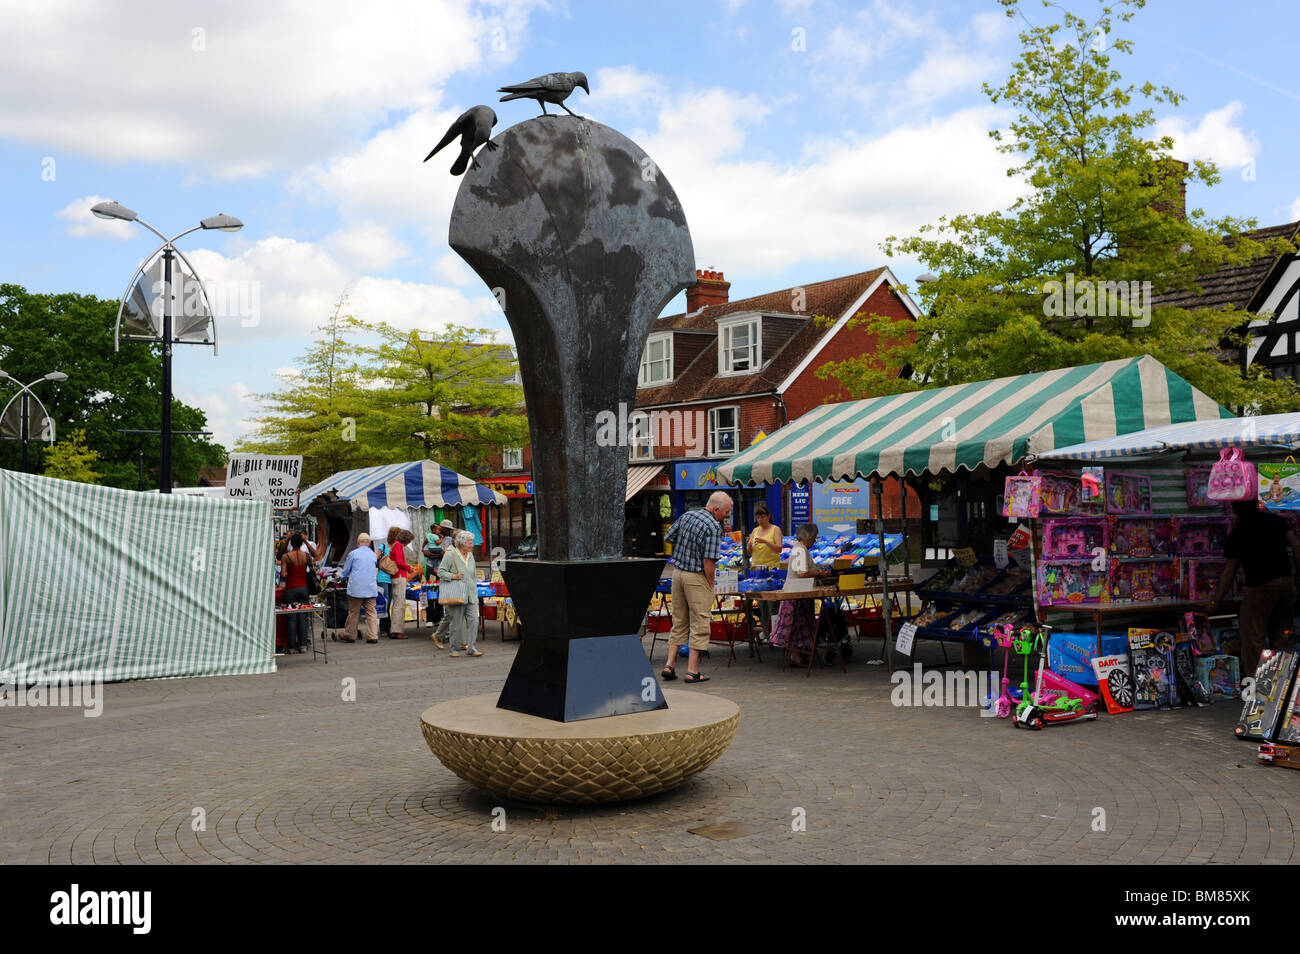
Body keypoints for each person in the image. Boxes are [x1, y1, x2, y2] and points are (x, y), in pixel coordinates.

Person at [1206, 499, 1300, 676]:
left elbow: (1229, 572)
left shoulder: (1239, 532)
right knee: (1282, 636)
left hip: (1260, 589)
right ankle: (1283, 685)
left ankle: (1257, 687)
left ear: (1235, 509)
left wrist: (1215, 600)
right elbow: (1296, 545)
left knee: (1253, 639)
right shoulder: (1276, 521)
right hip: (1286, 584)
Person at [661, 490, 733, 684]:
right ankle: (692, 671)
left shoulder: (688, 515)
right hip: (696, 577)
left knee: (679, 620)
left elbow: (668, 537)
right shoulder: (713, 526)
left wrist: (686, 546)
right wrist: (711, 584)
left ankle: (670, 665)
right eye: (726, 512)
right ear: (716, 509)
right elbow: (709, 561)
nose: (727, 516)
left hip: (677, 574)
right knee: (700, 622)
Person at [770, 522, 833, 667]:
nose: (814, 541)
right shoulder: (799, 550)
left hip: (801, 593)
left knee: (801, 625)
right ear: (809, 537)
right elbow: (802, 573)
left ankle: (799, 654)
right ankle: (796, 656)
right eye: (814, 538)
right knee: (797, 625)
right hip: (796, 594)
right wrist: (819, 573)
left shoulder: (801, 549)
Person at [439, 530, 481, 658]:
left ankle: (471, 648)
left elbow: (472, 575)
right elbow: (441, 572)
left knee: (474, 621)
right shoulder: (450, 554)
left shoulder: (470, 555)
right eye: (470, 542)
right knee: (456, 624)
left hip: (471, 594)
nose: (472, 545)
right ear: (462, 543)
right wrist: (454, 576)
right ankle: (454, 649)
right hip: (457, 593)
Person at [746, 503, 782, 641]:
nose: (760, 519)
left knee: (772, 604)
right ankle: (766, 631)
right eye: (758, 517)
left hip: (772, 570)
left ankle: (775, 632)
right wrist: (749, 545)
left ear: (768, 516)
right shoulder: (754, 531)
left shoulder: (775, 530)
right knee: (761, 604)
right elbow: (749, 552)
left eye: (762, 516)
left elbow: (779, 548)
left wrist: (765, 541)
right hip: (757, 571)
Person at [339, 533, 380, 644]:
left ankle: (351, 635)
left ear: (358, 543)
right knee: (371, 612)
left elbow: (346, 570)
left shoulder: (353, 554)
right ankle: (372, 636)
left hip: (356, 589)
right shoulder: (373, 554)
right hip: (370, 588)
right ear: (369, 543)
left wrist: (340, 577)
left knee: (354, 612)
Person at [278, 533, 312, 654]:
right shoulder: (306, 556)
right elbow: (316, 556)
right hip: (304, 588)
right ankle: (303, 646)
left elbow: (283, 574)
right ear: (302, 543)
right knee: (303, 617)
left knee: (291, 618)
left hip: (291, 588)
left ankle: (292, 647)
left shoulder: (286, 557)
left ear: (291, 544)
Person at [428, 519, 458, 648]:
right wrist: (440, 554)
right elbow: (425, 551)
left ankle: (441, 623)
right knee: (431, 592)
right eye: (447, 529)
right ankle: (432, 620)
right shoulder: (434, 536)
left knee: (446, 603)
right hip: (435, 569)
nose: (448, 531)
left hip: (448, 574)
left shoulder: (451, 541)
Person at [385, 527, 414, 639]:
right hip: (399, 576)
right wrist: (409, 568)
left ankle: (395, 630)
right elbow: (400, 562)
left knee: (398, 603)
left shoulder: (395, 545)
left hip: (397, 576)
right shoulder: (398, 546)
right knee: (399, 604)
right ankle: (397, 631)